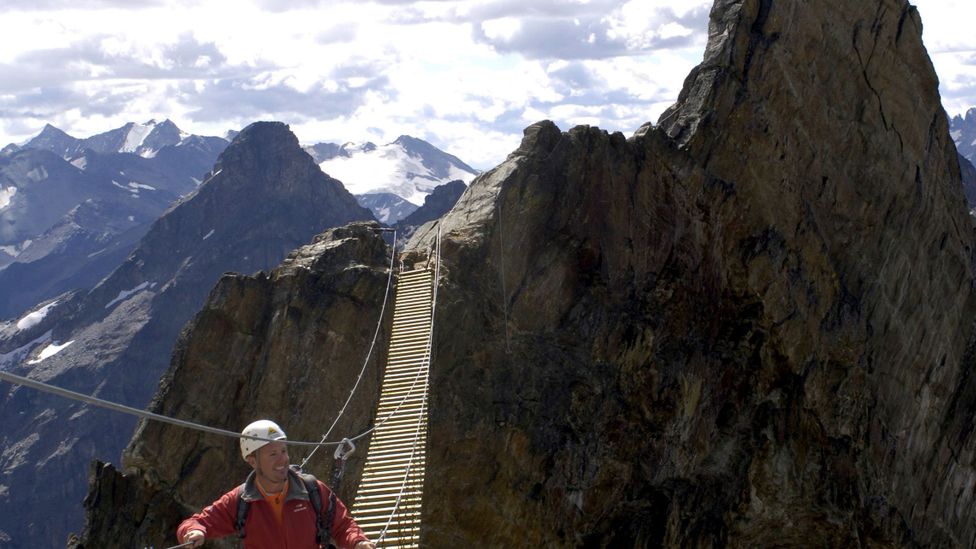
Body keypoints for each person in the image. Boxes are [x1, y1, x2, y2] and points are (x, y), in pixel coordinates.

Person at [177, 419, 375, 549]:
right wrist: (193, 531)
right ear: (252, 461)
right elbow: (195, 523)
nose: (282, 460)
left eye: (283, 451)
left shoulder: (312, 489)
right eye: (273, 454)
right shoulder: (240, 501)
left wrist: (358, 542)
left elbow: (342, 525)